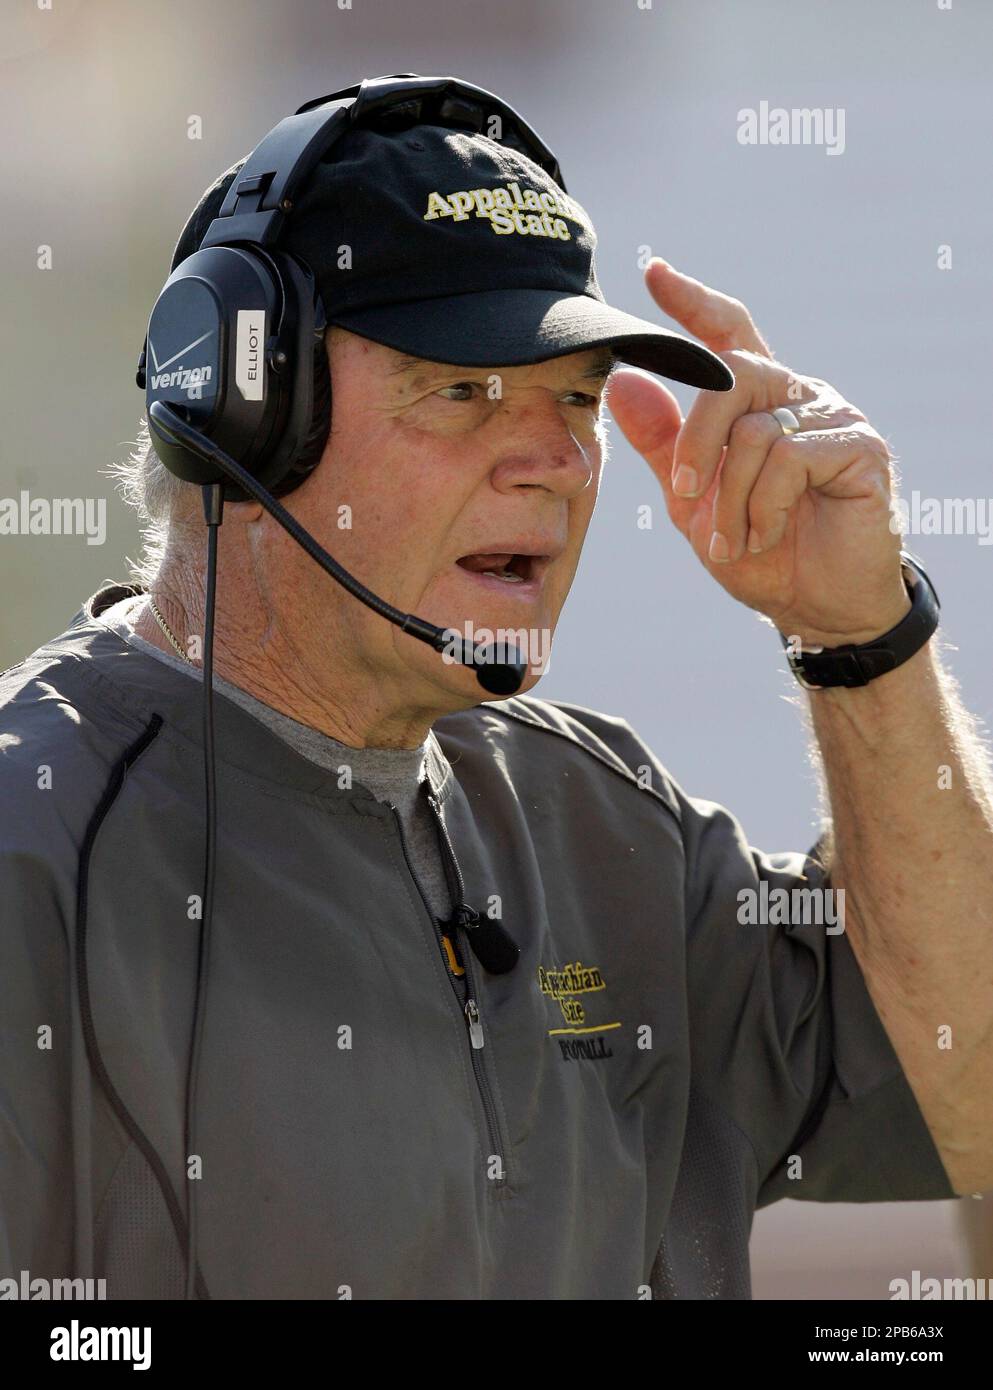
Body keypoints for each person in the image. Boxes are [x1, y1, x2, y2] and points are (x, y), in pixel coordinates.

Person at [1, 78, 991, 1302]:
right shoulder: (33, 851)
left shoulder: (615, 827)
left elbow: (975, 1093)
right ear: (243, 413)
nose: (559, 462)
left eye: (575, 399)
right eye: (462, 390)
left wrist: (861, 640)